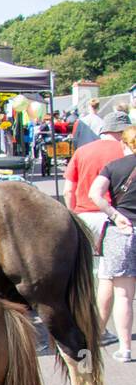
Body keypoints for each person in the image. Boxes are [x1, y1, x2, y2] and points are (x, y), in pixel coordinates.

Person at [67, 111, 130, 347]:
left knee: (85, 276)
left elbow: (68, 188)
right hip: (112, 218)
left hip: (83, 215)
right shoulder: (124, 152)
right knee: (108, 278)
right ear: (123, 132)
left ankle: (86, 324)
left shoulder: (83, 150)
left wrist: (72, 212)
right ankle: (100, 330)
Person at [88, 124, 136, 362]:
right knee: (107, 280)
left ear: (124, 143)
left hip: (122, 231)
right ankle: (97, 329)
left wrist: (114, 214)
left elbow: (94, 194)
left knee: (122, 294)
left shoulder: (114, 167)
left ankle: (125, 348)